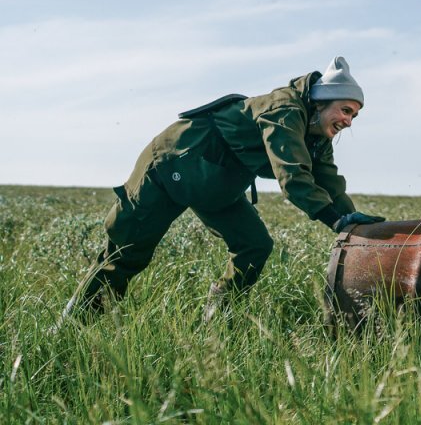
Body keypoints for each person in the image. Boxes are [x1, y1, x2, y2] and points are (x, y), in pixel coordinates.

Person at [67, 56, 384, 322]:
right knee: (126, 252)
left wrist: (351, 223)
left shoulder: (317, 138)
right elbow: (293, 176)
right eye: (345, 110)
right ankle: (76, 323)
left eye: (354, 114)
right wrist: (334, 220)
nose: (350, 121)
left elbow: (328, 180)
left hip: (218, 183)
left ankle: (217, 316)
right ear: (320, 101)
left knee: (254, 245)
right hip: (174, 163)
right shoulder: (285, 108)